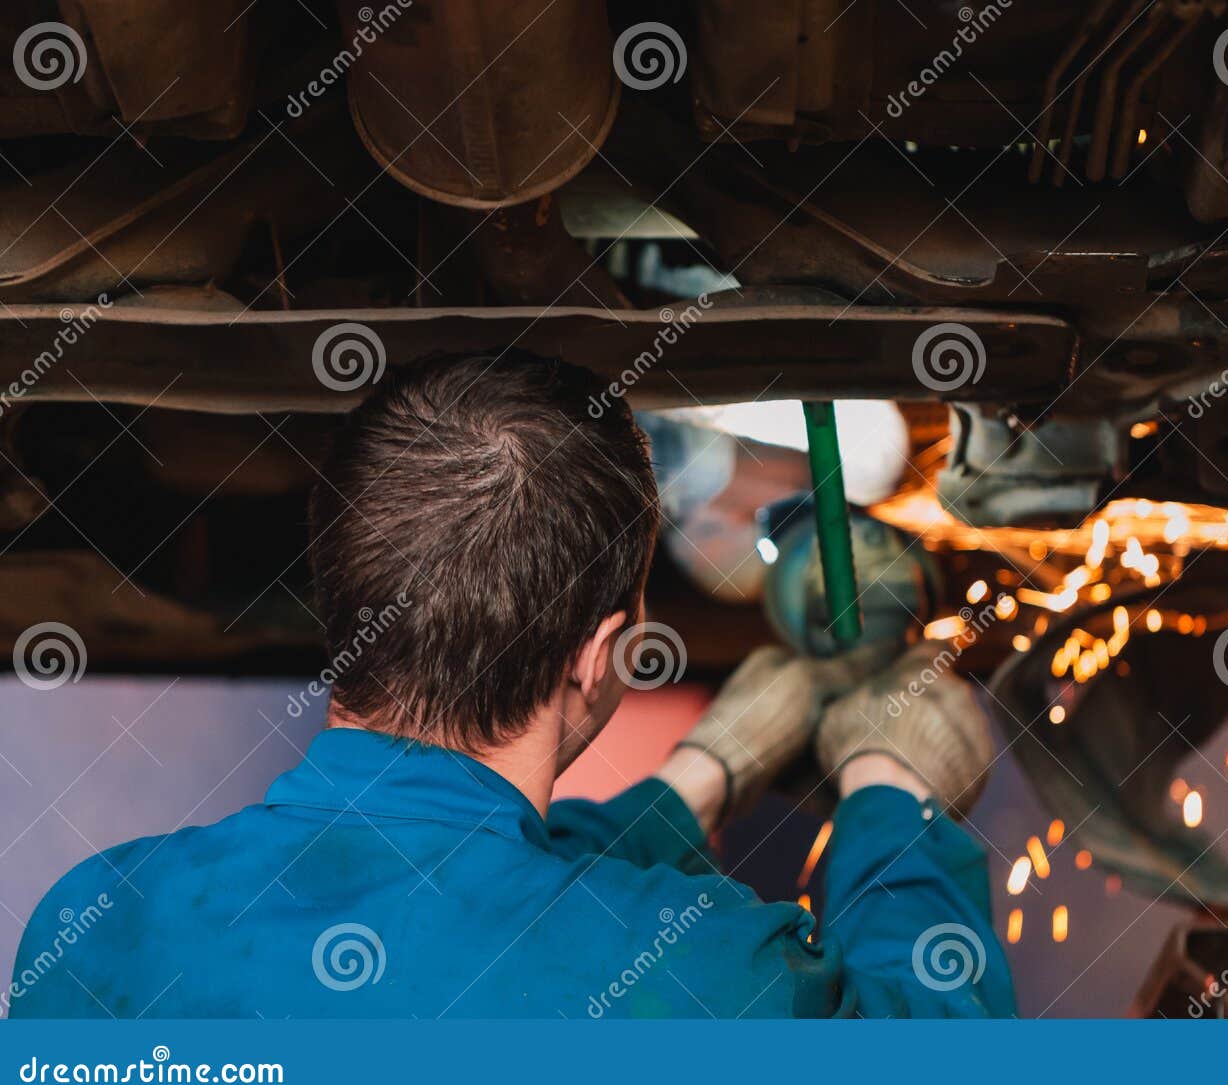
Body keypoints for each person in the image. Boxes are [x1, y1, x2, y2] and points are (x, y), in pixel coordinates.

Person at [9, 353, 1013, 1018]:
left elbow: (465, 893)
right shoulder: (705, 971)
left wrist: (705, 773)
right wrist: (893, 793)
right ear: (598, 650)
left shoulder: (98, 922)